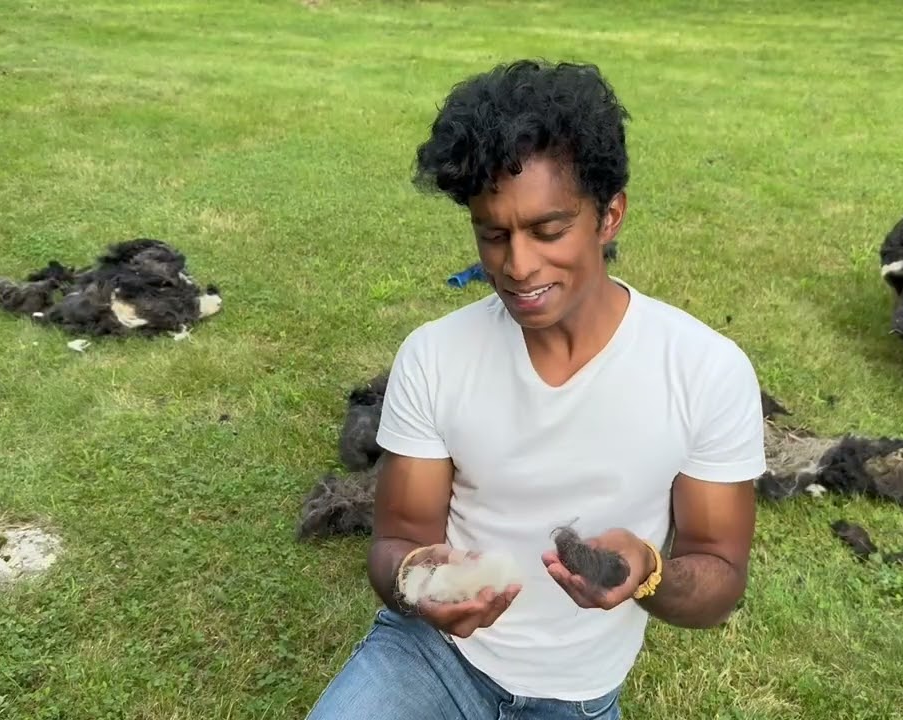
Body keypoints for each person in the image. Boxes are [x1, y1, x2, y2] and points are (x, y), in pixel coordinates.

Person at [305, 58, 767, 720]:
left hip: (574, 697)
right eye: (493, 235)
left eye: (548, 231)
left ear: (609, 216)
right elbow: (396, 542)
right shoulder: (435, 357)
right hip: (431, 657)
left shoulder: (704, 370)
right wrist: (418, 587)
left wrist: (648, 572)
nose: (518, 266)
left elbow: (719, 574)